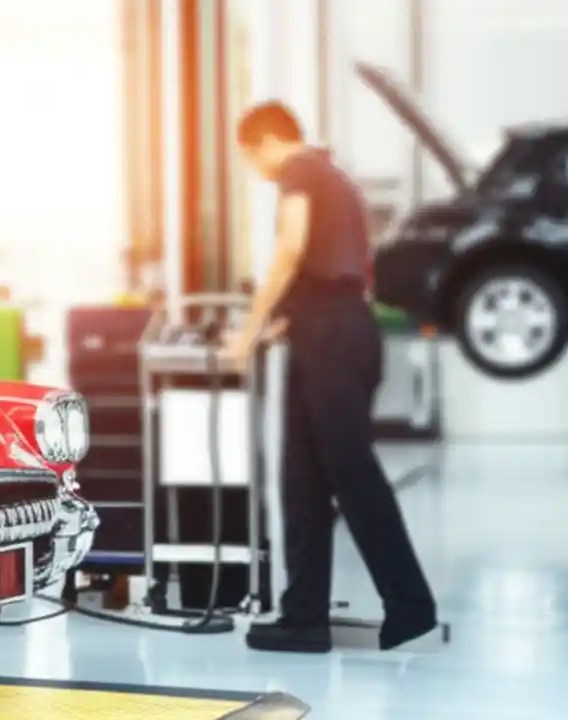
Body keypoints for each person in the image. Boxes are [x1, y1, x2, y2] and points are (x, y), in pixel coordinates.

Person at [224, 101, 436, 653]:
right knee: (303, 479)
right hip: (326, 333)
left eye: (250, 158)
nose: (255, 170)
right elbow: (329, 269)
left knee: (350, 473)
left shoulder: (301, 171)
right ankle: (303, 617)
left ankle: (411, 605)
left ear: (265, 142)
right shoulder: (333, 178)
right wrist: (281, 323)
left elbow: (292, 248)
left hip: (333, 341)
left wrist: (248, 331)